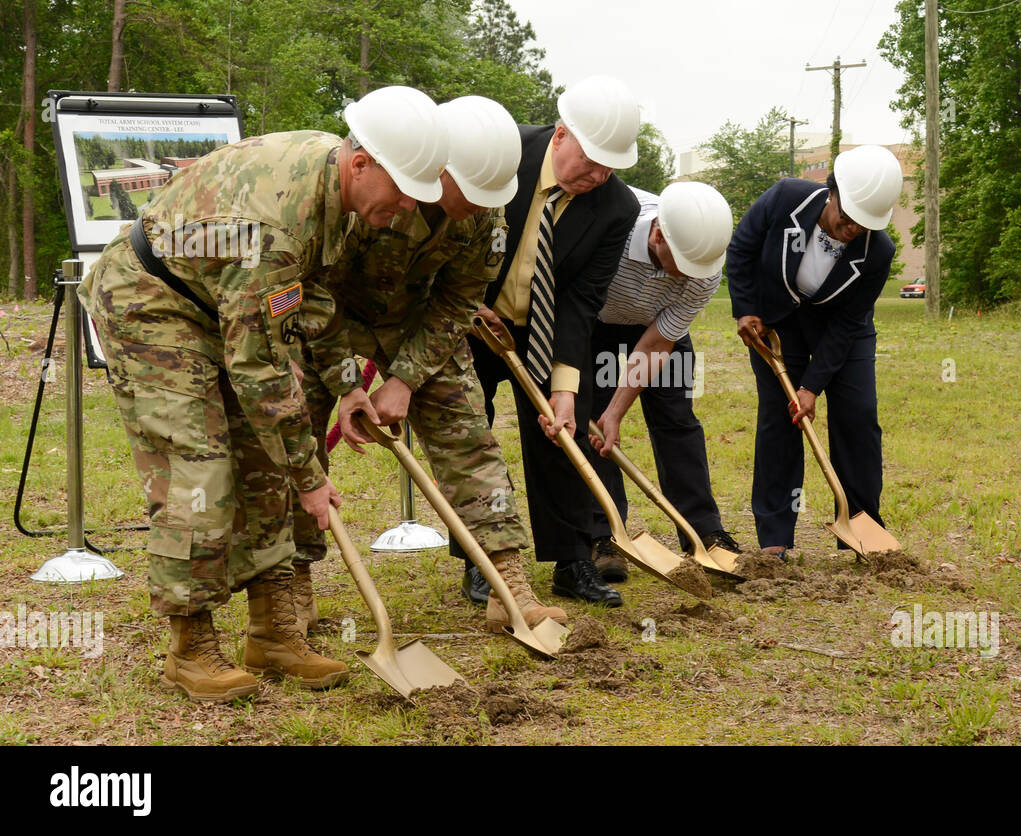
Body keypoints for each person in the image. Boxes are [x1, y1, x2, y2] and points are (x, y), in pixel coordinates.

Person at [79, 86, 448, 702]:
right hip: (150, 302)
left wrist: (347, 386)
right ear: (361, 163)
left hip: (214, 298)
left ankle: (273, 633)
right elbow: (259, 368)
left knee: (264, 459)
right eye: (405, 190)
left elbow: (317, 301)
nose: (408, 209)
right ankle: (190, 648)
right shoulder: (271, 225)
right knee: (199, 463)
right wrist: (309, 475)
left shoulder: (333, 189)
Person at [294, 95, 567, 633]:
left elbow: (460, 298)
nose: (479, 204)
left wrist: (405, 380)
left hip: (419, 328)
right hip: (326, 322)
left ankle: (506, 584)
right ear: (436, 166)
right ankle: (291, 585)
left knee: (470, 439)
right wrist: (346, 382)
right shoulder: (367, 194)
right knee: (296, 436)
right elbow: (314, 287)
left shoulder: (485, 215)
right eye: (468, 190)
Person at [467, 75, 641, 608]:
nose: (599, 175)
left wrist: (565, 385)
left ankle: (571, 561)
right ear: (561, 134)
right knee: (471, 437)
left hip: (542, 325)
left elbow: (583, 299)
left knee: (561, 432)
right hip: (472, 314)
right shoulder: (499, 152)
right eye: (591, 161)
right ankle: (484, 558)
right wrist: (464, 299)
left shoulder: (617, 208)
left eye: (612, 165)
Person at [725, 145, 903, 560]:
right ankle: (775, 537)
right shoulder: (785, 197)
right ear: (832, 192)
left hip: (844, 332)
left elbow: (847, 325)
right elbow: (742, 249)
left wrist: (811, 387)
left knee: (858, 417)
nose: (853, 229)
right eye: (847, 217)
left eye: (863, 225)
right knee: (778, 421)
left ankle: (861, 531)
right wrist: (746, 308)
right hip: (776, 326)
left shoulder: (879, 253)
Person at [584, 181, 741, 581]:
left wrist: (619, 411)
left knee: (676, 420)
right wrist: (608, 415)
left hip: (656, 328)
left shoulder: (704, 262)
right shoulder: (608, 225)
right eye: (683, 264)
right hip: (593, 322)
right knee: (592, 423)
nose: (691, 275)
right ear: (657, 235)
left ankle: (704, 532)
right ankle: (604, 536)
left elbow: (655, 345)